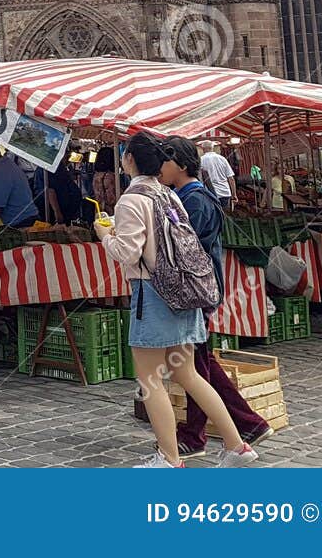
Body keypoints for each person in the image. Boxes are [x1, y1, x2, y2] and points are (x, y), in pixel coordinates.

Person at [96, 132, 258, 468]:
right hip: (184, 293)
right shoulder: (169, 195)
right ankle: (236, 445)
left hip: (152, 294)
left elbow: (128, 252)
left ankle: (169, 459)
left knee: (150, 380)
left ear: (129, 160)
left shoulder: (131, 199)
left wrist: (105, 235)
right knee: (189, 375)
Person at [158, 139, 270, 458]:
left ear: (180, 164)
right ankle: (249, 423)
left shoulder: (195, 200)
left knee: (194, 364)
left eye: (164, 162)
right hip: (196, 290)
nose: (160, 169)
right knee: (201, 360)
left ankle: (196, 435)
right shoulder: (184, 196)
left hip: (196, 291)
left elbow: (184, 247)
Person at [44, 157, 84, 224]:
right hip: (59, 212)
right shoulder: (48, 169)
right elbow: (50, 191)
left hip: (69, 210)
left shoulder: (61, 167)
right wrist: (57, 212)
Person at [198, 145, 236, 209]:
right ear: (212, 148)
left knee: (213, 216)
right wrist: (234, 194)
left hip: (210, 194)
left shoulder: (201, 160)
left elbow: (199, 179)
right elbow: (231, 178)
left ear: (203, 149)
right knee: (224, 215)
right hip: (225, 192)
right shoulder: (222, 159)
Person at [92, 146, 119, 214]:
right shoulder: (110, 177)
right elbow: (111, 199)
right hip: (110, 212)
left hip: (99, 210)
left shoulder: (96, 175)